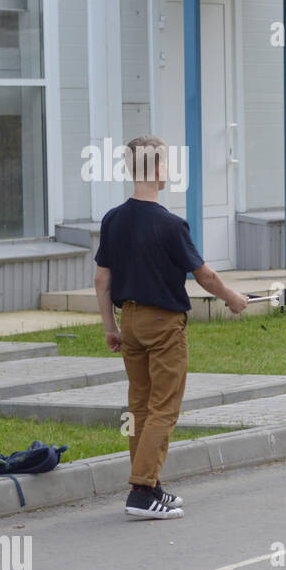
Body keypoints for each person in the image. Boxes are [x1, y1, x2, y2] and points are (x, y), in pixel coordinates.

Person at [94, 135, 247, 519]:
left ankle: (148, 483)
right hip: (163, 325)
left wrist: (110, 327)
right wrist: (232, 298)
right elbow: (205, 276)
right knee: (163, 408)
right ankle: (142, 491)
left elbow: (102, 280)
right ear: (160, 170)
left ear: (131, 169)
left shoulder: (113, 219)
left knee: (140, 407)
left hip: (128, 321)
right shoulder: (170, 224)